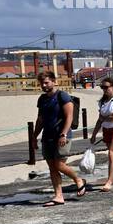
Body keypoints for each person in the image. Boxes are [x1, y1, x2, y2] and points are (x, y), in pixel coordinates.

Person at [34, 71, 86, 206]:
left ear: (53, 81)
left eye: (46, 82)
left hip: (62, 135)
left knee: (59, 164)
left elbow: (69, 116)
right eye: (41, 83)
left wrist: (63, 134)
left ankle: (78, 179)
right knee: (52, 167)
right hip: (47, 136)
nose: (44, 85)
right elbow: (40, 119)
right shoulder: (42, 99)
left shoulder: (62, 96)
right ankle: (58, 196)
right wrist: (34, 136)